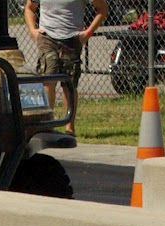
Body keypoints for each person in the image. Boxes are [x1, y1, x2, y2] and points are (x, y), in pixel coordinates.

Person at [25, 0, 105, 134]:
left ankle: (69, 127)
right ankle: (47, 124)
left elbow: (102, 8)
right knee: (48, 79)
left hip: (72, 38)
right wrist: (33, 30)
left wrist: (88, 33)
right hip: (47, 37)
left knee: (69, 83)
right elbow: (29, 8)